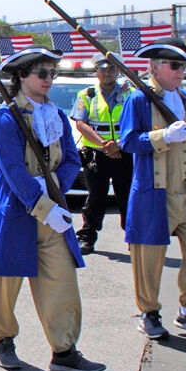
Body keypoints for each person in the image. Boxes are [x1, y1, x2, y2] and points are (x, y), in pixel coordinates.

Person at [0, 46, 105, 371]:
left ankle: (64, 350)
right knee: (7, 282)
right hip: (19, 211)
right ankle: (4, 340)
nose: (48, 79)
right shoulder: (6, 118)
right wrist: (40, 200)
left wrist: (55, 186)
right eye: (42, 73)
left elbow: (70, 158)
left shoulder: (55, 115)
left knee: (61, 280)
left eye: (51, 73)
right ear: (22, 77)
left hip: (53, 211)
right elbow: (11, 168)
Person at [119, 37, 186, 340]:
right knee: (149, 258)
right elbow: (128, 141)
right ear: (156, 67)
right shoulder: (139, 99)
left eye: (184, 67)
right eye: (176, 66)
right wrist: (162, 136)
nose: (181, 72)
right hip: (154, 193)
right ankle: (149, 313)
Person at [70, 53, 134, 255]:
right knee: (96, 197)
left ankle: (133, 237)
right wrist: (105, 145)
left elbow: (137, 122)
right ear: (96, 71)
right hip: (97, 154)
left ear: (118, 71)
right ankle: (87, 238)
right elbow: (80, 123)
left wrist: (119, 145)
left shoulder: (130, 93)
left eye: (112, 69)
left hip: (124, 153)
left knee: (127, 197)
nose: (107, 73)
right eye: (103, 69)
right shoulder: (87, 94)